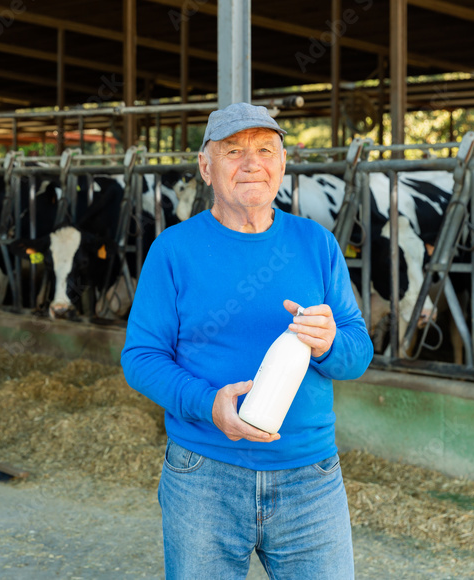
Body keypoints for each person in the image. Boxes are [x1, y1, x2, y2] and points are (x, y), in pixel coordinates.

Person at [121, 102, 373, 579]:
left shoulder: (316, 243)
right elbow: (141, 357)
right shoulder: (173, 250)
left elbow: (358, 355)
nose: (251, 162)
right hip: (204, 475)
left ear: (282, 162)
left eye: (264, 149)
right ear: (205, 167)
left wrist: (328, 344)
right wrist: (208, 403)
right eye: (232, 150)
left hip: (310, 479)